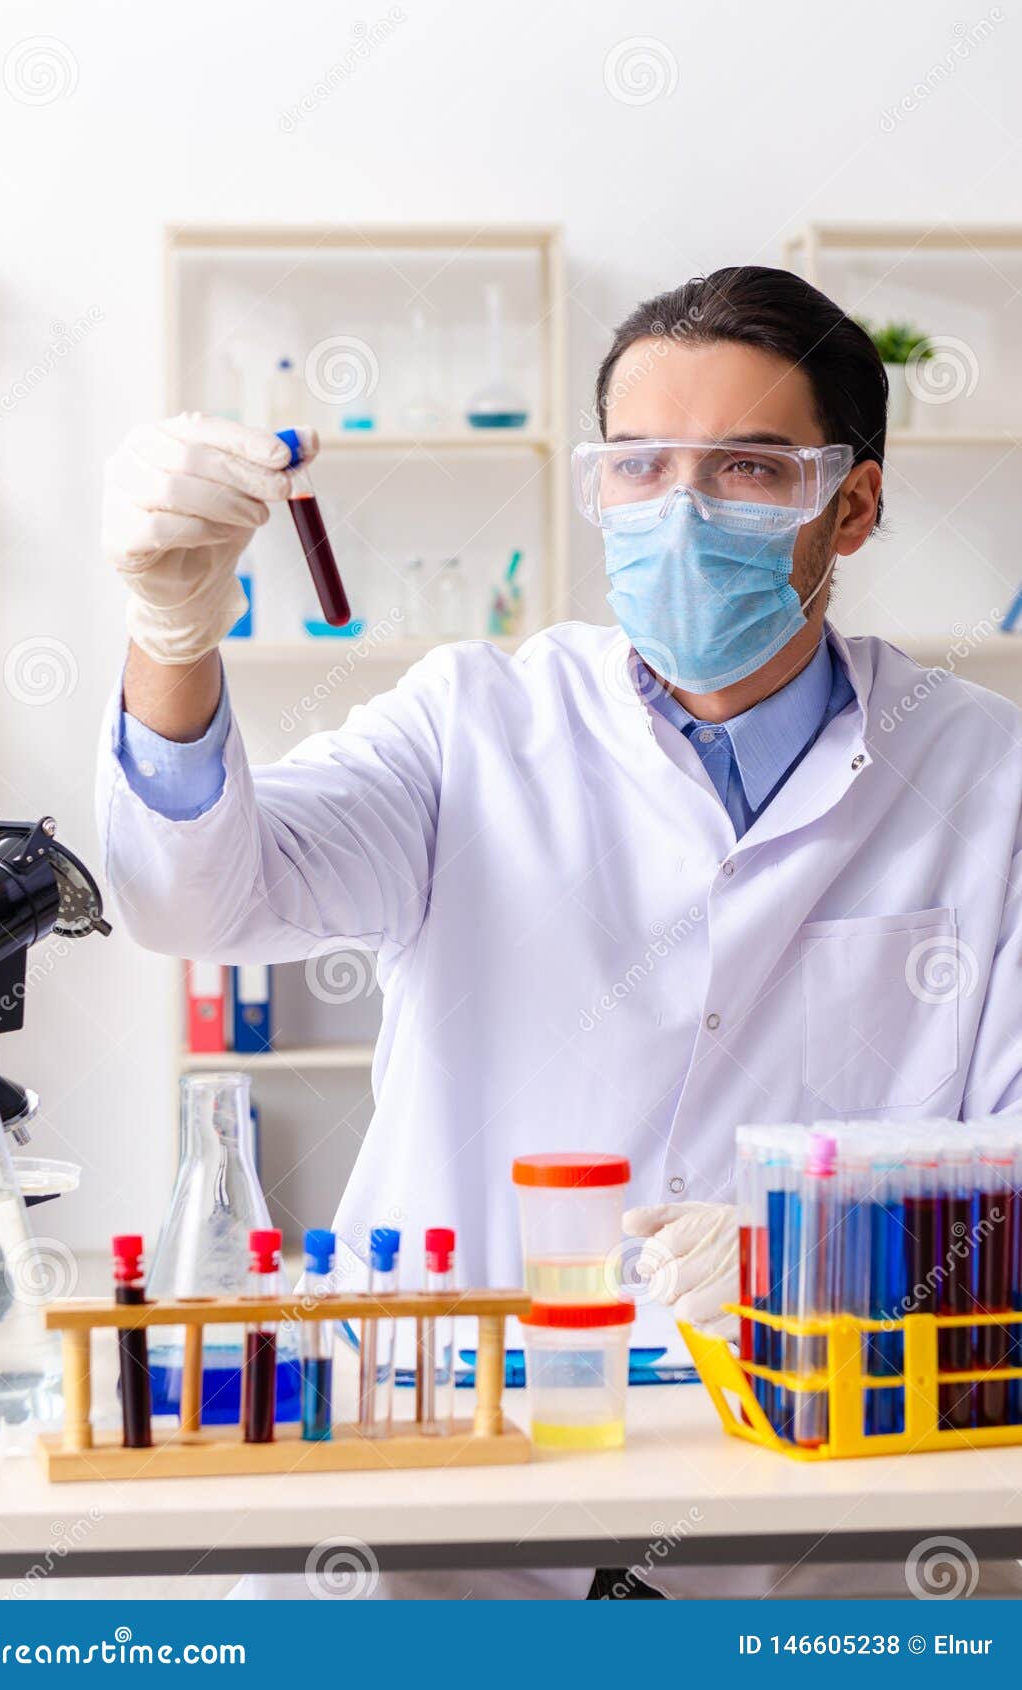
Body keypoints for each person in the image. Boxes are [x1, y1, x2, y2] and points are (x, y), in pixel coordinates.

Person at [97, 266, 1022, 1600]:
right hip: (439, 1512)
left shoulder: (984, 779)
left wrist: (812, 1247)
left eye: (751, 470)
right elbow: (199, 899)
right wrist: (170, 637)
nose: (683, 510)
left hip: (803, 1521)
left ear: (855, 503)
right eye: (641, 466)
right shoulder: (473, 722)